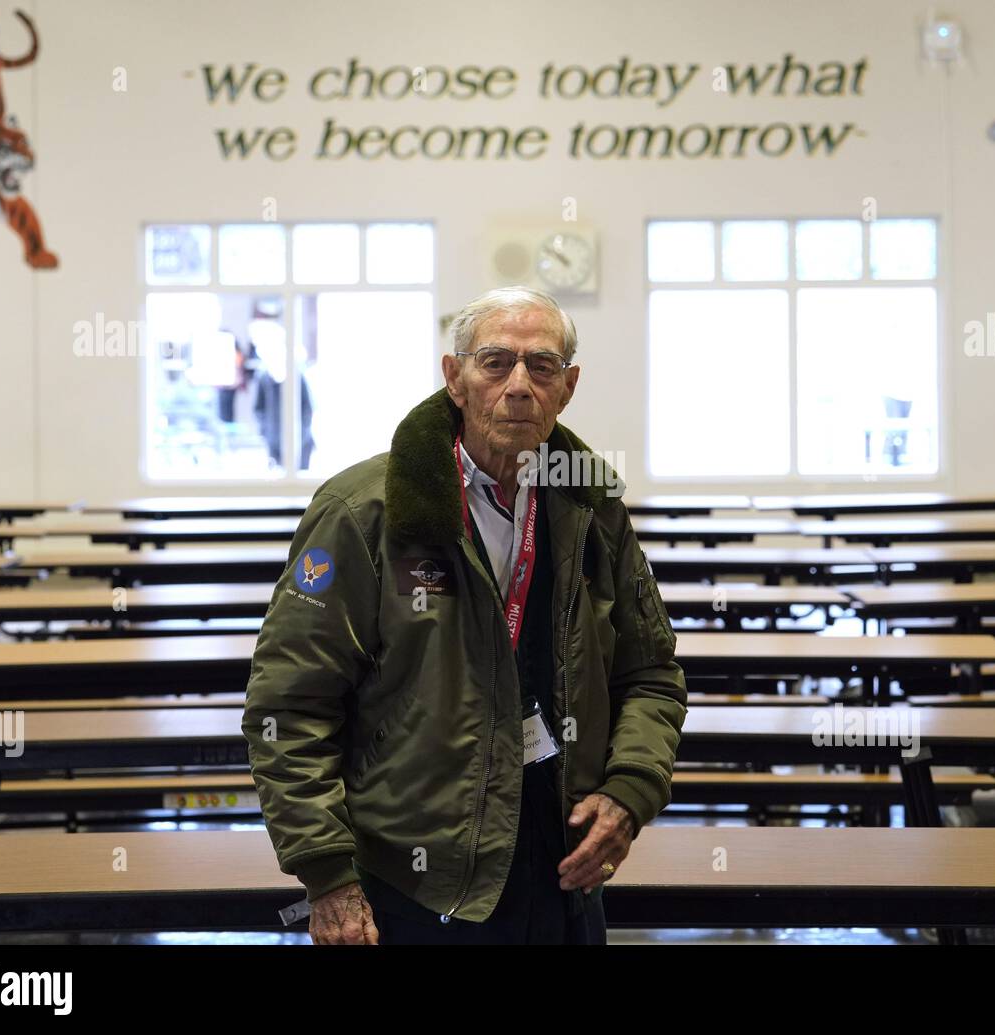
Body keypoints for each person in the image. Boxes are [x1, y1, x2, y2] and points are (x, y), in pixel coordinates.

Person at [242, 285, 687, 945]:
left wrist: (631, 788)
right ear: (455, 378)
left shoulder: (591, 506)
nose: (518, 385)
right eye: (494, 362)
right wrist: (326, 872)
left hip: (563, 866)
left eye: (541, 366)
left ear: (567, 386)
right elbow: (290, 706)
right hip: (416, 882)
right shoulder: (364, 511)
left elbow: (650, 673)